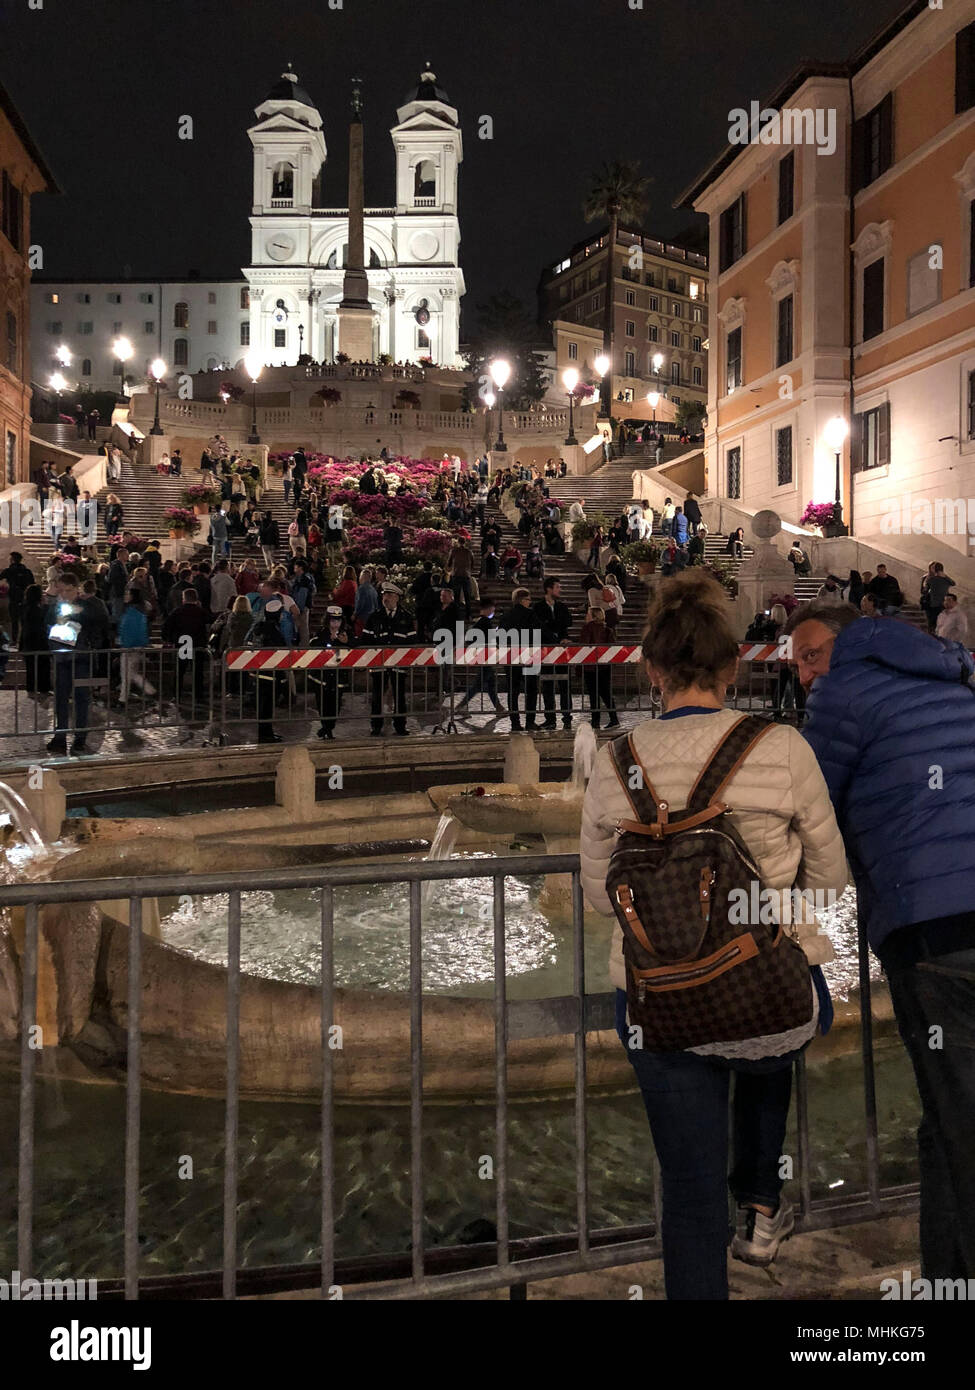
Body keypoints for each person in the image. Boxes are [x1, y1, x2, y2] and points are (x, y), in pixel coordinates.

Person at [580, 572, 848, 1300]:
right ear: (734, 664)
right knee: (767, 1042)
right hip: (762, 986)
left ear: (649, 669)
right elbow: (829, 878)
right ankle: (761, 1205)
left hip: (654, 1002)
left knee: (687, 1187)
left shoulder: (613, 761)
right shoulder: (781, 746)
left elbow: (598, 899)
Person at [786, 600, 975, 1284]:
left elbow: (805, 803)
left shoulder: (848, 689)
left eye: (810, 655)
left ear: (845, 644)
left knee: (961, 1129)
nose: (804, 674)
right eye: (795, 661)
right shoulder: (953, 676)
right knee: (947, 1121)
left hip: (934, 926)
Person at [45, 570, 98, 755]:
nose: (65, 594)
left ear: (76, 589)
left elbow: (95, 627)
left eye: (68, 590)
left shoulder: (87, 606)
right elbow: (47, 623)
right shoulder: (56, 606)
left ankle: (80, 738)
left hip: (81, 658)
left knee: (81, 698)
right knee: (60, 698)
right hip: (61, 658)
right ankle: (60, 737)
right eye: (62, 590)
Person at [360, 582, 415, 736]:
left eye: (390, 595)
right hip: (379, 664)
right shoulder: (375, 617)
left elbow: (412, 641)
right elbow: (366, 639)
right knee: (377, 695)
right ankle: (376, 726)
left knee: (399, 695)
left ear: (397, 598)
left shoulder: (406, 617)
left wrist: (407, 659)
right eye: (384, 595)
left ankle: (400, 726)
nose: (386, 598)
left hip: (399, 663)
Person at [532, 577, 572, 730]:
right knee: (547, 684)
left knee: (565, 685)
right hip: (546, 650)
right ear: (549, 589)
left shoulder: (562, 606)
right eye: (557, 587)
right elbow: (539, 626)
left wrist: (555, 629)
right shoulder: (538, 607)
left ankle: (567, 717)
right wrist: (552, 628)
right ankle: (550, 719)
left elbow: (568, 622)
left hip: (561, 650)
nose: (559, 590)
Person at [454, 596, 504, 717]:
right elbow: (489, 638)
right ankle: (461, 706)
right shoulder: (485, 621)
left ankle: (499, 708)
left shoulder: (478, 621)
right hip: (485, 656)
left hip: (483, 655)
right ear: (489, 608)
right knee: (479, 684)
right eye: (493, 608)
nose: (493, 611)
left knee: (491, 682)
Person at [247, 598, 287, 743]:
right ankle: (265, 734)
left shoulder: (259, 628)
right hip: (270, 674)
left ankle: (266, 732)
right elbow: (280, 653)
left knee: (264, 705)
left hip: (258, 672)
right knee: (267, 706)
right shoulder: (274, 631)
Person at [309, 606, 352, 738]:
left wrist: (346, 641)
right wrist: (329, 640)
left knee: (335, 704)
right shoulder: (321, 633)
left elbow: (356, 644)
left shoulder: (346, 633)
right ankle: (325, 727)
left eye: (338, 621)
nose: (335, 624)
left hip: (338, 677)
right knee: (323, 703)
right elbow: (313, 645)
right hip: (322, 677)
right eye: (333, 621)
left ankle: (329, 727)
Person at [162, 587, 209, 707]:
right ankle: (199, 696)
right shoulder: (201, 611)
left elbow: (167, 626)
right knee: (198, 671)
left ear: (184, 598)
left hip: (183, 644)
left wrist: (169, 639)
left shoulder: (178, 611)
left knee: (180, 671)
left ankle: (176, 696)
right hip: (198, 645)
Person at [579, 605, 619, 729]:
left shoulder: (588, 628)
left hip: (591, 666)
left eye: (588, 614)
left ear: (593, 616)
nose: (586, 616)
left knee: (593, 693)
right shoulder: (608, 629)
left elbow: (584, 645)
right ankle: (614, 718)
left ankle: (595, 721)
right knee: (606, 693)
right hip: (604, 666)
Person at [0, 553, 34, 645]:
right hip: (25, 599)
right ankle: (24, 641)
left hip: (14, 598)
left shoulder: (9, 571)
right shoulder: (27, 571)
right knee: (24, 622)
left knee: (14, 621)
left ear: (12, 560)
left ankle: (14, 641)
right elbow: (32, 585)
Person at [920, 562, 955, 633]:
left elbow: (953, 583)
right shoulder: (928, 578)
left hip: (940, 604)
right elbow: (923, 591)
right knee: (934, 623)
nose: (933, 570)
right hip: (933, 604)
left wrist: (945, 576)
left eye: (934, 568)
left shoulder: (942, 579)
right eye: (931, 568)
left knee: (936, 623)